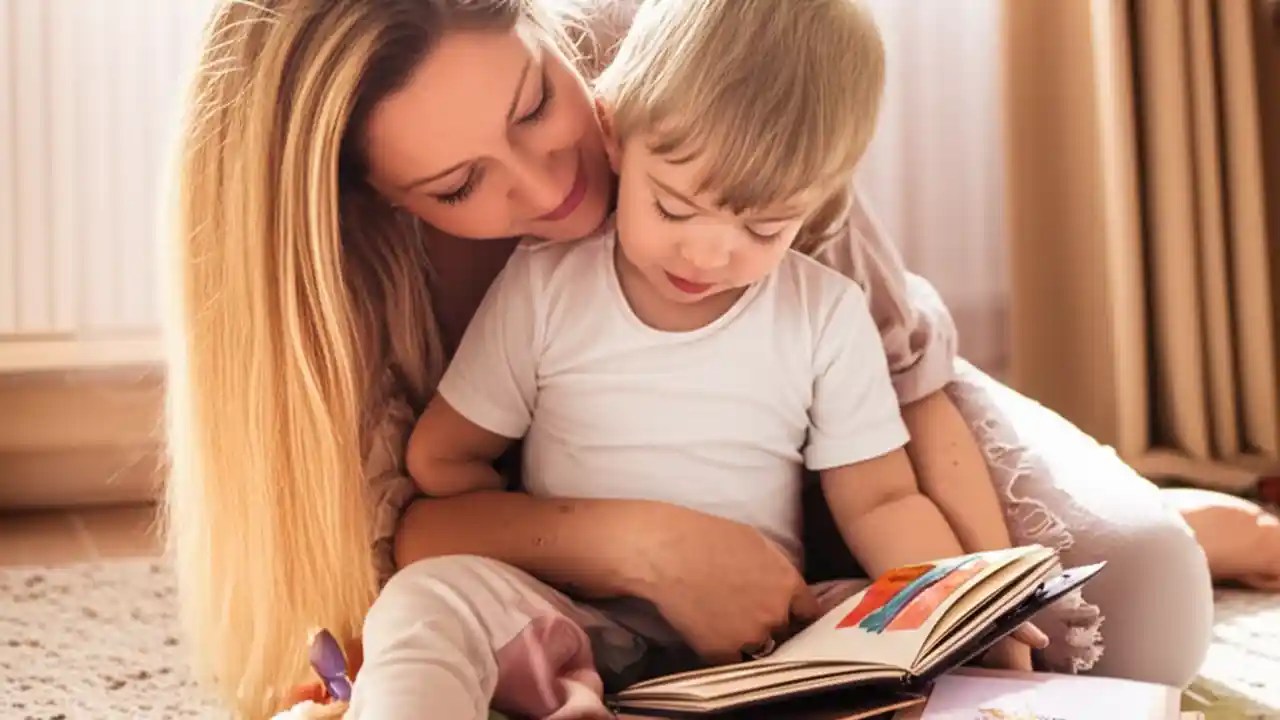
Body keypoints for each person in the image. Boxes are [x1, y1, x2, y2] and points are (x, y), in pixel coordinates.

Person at [166, 0, 1263, 716]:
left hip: (846, 455)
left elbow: (899, 417)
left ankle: (1172, 511)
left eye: (537, 103)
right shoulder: (479, 291)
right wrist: (643, 546)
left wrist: (975, 592)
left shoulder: (701, 76)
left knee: (1148, 600)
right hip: (567, 576)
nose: (546, 187)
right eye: (459, 188)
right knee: (426, 614)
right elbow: (424, 510)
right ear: (379, 204)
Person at [363, 1, 1047, 715]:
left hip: (766, 638)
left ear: (817, 206)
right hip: (572, 616)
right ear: (615, 131)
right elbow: (443, 464)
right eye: (675, 208)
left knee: (897, 660)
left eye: (764, 226)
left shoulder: (827, 314)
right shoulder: (544, 287)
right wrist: (561, 544)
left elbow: (881, 499)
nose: (711, 254)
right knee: (426, 602)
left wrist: (967, 600)